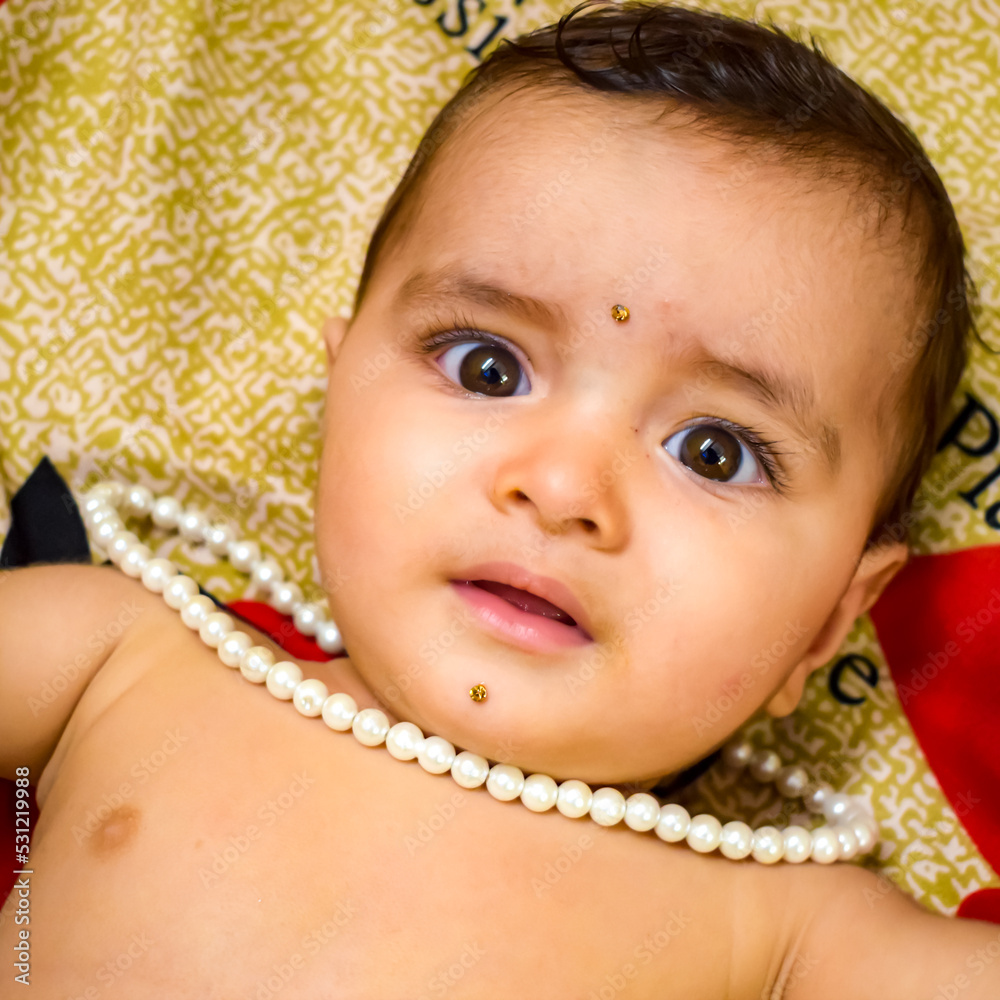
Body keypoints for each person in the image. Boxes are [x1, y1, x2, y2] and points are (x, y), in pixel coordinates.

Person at [2, 2, 997, 995]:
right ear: (336, 401)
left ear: (828, 621)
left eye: (713, 451)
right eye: (486, 367)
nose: (562, 490)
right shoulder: (117, 655)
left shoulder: (787, 931)